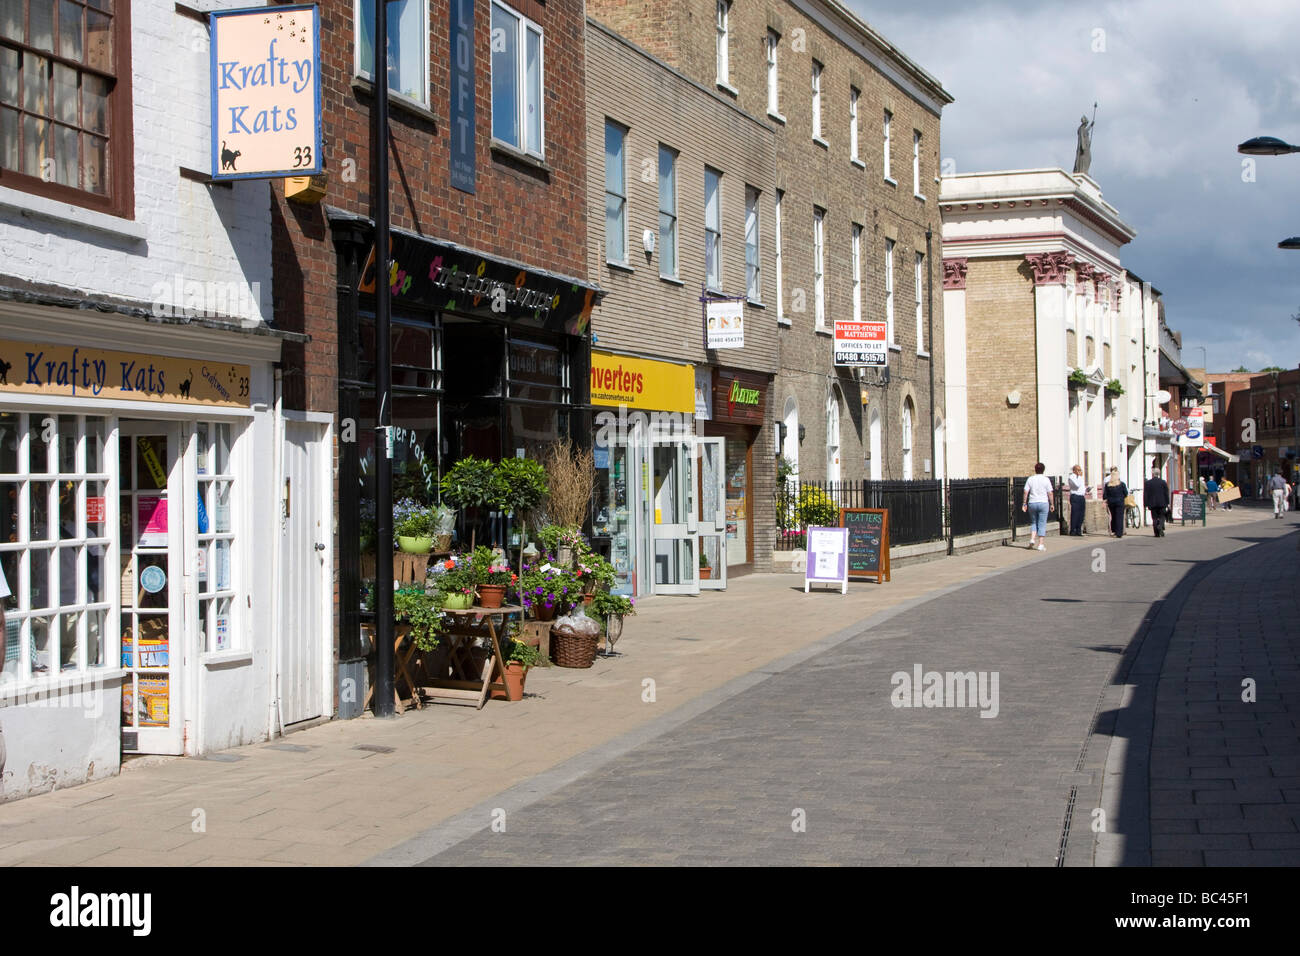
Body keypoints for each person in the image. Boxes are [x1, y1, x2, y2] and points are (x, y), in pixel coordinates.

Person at [1021, 462, 1055, 551]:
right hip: (1043, 502)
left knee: (1033, 522)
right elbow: (1050, 493)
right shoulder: (1046, 479)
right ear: (1043, 470)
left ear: (1035, 469)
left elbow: (1025, 491)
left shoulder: (1030, 479)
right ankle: (1040, 544)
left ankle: (1032, 538)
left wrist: (1024, 503)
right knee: (1042, 523)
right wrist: (1052, 504)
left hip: (1032, 502)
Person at [1144, 465, 1170, 537]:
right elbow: (1166, 493)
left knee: (1154, 518)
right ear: (1159, 474)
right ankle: (1160, 526)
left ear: (1153, 474)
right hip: (1162, 503)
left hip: (1152, 503)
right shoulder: (1163, 482)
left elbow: (1145, 494)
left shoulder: (1148, 483)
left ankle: (1156, 533)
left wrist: (1145, 503)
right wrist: (1167, 503)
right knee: (1162, 517)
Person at [1103, 467, 1128, 538]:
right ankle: (1119, 532)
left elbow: (1105, 495)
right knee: (1119, 517)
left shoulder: (1108, 485)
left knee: (1113, 516)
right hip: (1120, 502)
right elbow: (1126, 493)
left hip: (1111, 503)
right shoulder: (1121, 484)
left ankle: (1114, 530)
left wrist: (1105, 501)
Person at [1067, 464, 1088, 535]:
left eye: (1080, 470)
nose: (1080, 471)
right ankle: (1073, 530)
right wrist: (1079, 476)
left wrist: (1087, 489)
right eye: (1078, 470)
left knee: (1081, 514)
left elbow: (1082, 487)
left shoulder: (1080, 478)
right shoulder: (1072, 477)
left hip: (1081, 496)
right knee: (1075, 513)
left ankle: (1079, 530)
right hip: (1075, 496)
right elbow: (1076, 485)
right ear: (1074, 470)